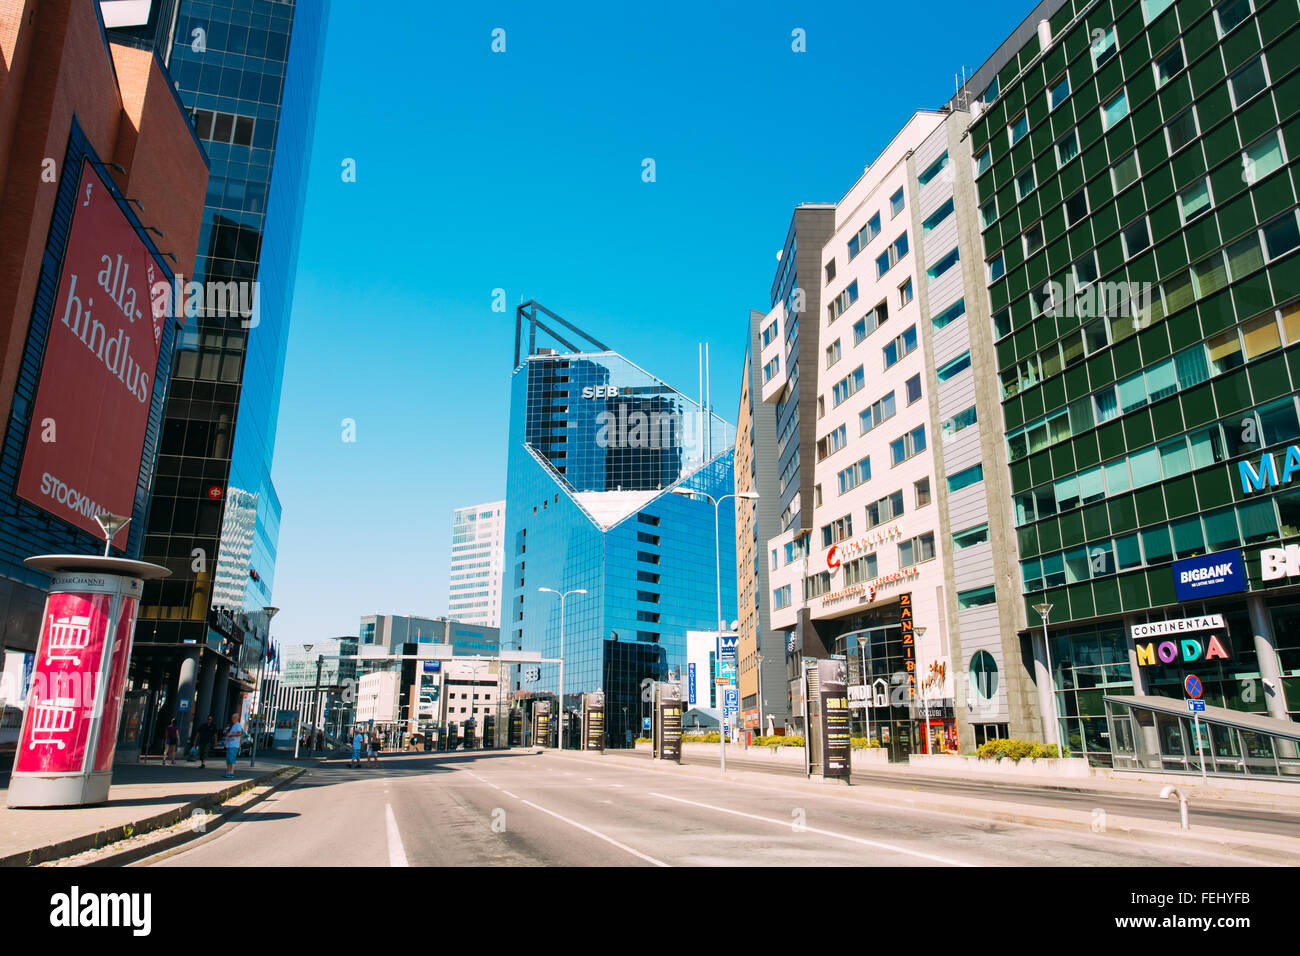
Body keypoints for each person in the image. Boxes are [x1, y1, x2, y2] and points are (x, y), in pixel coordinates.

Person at [222, 713, 243, 779]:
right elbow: (227, 733)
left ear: (236, 718)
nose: (232, 719)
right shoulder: (232, 725)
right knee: (228, 759)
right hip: (230, 744)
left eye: (233, 718)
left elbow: (239, 733)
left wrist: (231, 734)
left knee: (231, 758)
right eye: (232, 718)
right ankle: (228, 771)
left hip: (234, 745)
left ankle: (231, 772)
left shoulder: (238, 725)